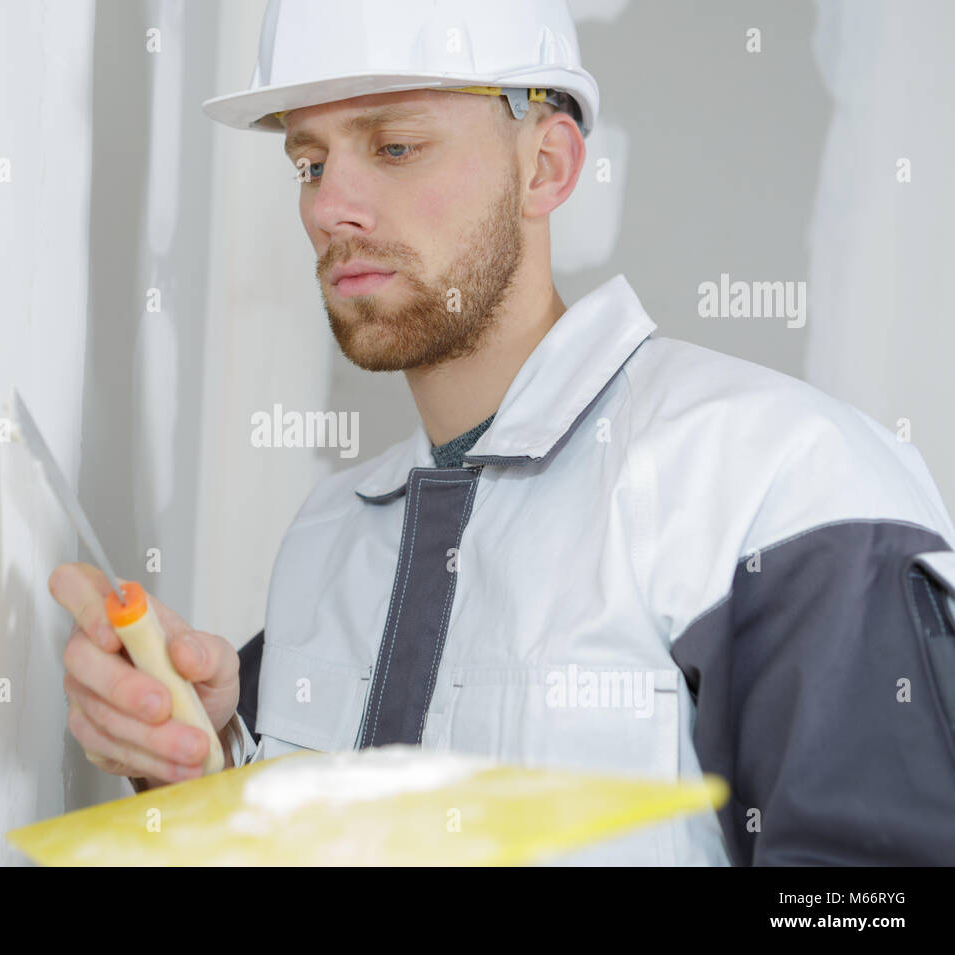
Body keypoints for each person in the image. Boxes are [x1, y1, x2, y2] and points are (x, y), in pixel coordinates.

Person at [52, 0, 955, 864]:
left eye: (396, 145)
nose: (330, 207)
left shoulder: (778, 483)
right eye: (309, 161)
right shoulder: (326, 540)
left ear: (547, 167)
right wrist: (204, 752)